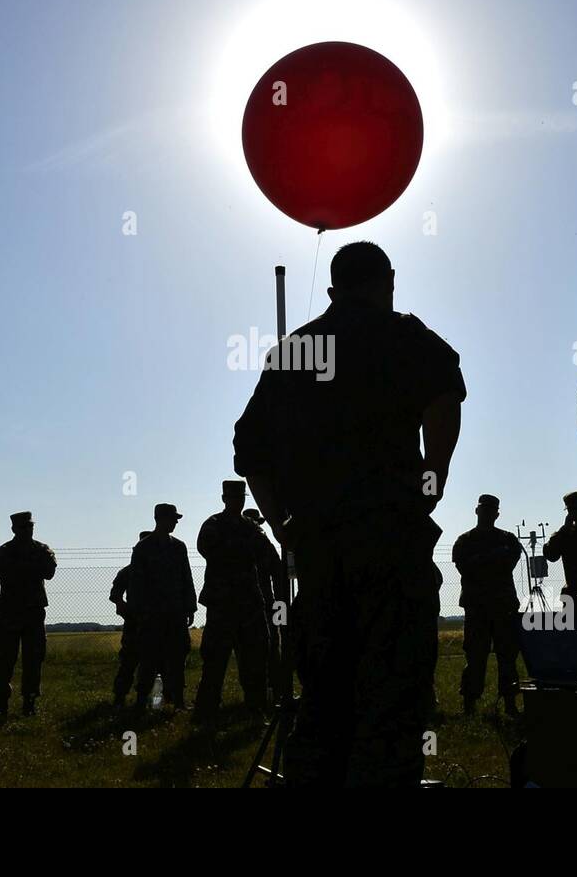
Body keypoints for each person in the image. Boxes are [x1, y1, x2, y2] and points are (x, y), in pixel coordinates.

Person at [234, 240, 465, 787]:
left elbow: (250, 453)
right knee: (392, 693)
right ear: (387, 279)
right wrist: (432, 477)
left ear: (334, 289)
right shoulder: (403, 334)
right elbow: (444, 399)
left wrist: (279, 525)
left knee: (324, 695)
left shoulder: (293, 351)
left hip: (319, 550)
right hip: (389, 541)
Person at [193, 480, 270, 721]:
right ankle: (206, 713)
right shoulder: (213, 524)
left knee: (254, 661)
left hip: (249, 605)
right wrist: (242, 551)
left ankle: (255, 709)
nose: (239, 501)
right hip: (223, 604)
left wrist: (238, 550)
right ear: (225, 499)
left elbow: (265, 552)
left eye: (242, 497)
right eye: (234, 498)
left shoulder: (251, 527)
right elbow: (209, 549)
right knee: (214, 661)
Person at [452, 494, 524, 717]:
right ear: (477, 511)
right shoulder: (464, 541)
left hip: (502, 606)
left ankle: (510, 703)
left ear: (496, 514)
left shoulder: (508, 539)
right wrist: (493, 558)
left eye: (491, 511)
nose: (487, 515)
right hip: (477, 607)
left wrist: (482, 561)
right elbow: (465, 568)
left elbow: (508, 563)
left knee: (507, 656)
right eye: (483, 511)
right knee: (475, 656)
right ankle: (469, 704)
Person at [127, 504, 196, 710]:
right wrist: (138, 612)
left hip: (175, 613)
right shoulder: (143, 548)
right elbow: (135, 584)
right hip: (152, 615)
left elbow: (186, 577)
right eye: (173, 518)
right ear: (160, 519)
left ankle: (178, 700)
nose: (176, 522)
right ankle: (141, 700)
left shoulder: (179, 546)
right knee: (149, 658)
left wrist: (190, 607)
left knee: (177, 657)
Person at [0, 511, 57, 717]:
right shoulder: (5, 551)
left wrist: (24, 567)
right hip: (10, 611)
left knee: (34, 658)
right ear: (14, 529)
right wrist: (30, 567)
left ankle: (29, 701)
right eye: (23, 527)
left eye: (30, 527)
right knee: (4, 659)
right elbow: (2, 569)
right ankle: (2, 703)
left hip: (33, 612)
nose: (27, 530)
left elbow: (50, 572)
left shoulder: (41, 549)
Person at [244, 507, 288, 703]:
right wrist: (281, 605)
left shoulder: (259, 544)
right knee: (268, 648)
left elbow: (278, 575)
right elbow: (278, 575)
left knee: (262, 649)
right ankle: (270, 692)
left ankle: (264, 693)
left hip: (257, 602)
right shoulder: (262, 543)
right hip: (259, 602)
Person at [109, 531, 150, 707]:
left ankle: (146, 697)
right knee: (129, 661)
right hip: (135, 621)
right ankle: (121, 696)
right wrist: (122, 607)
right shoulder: (129, 571)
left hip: (153, 621)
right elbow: (115, 594)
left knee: (153, 662)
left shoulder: (138, 570)